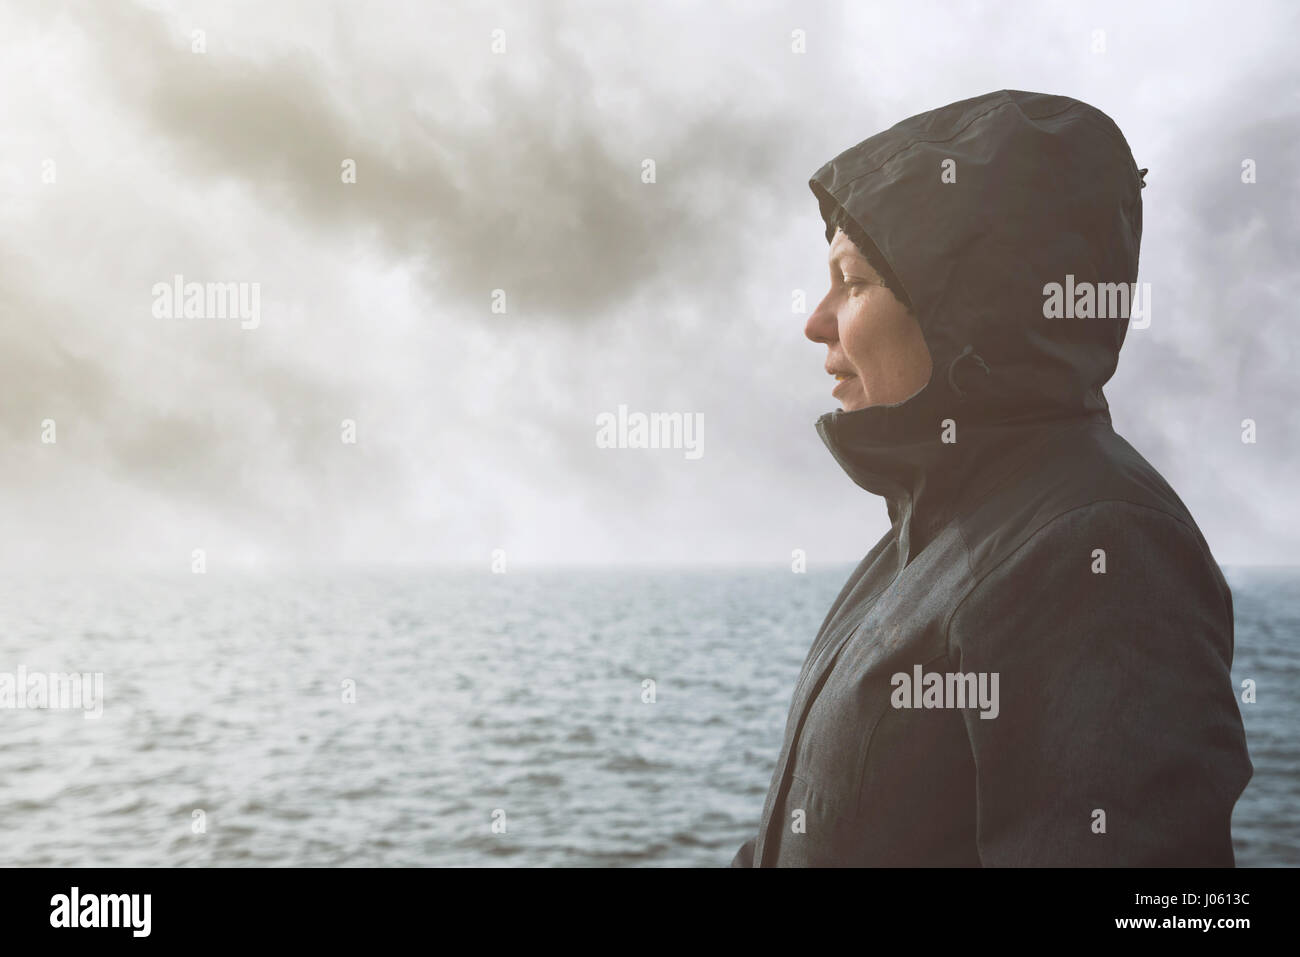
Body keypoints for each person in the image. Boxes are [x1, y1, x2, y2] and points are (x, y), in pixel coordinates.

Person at [730, 89, 1252, 867]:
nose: (815, 320)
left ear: (968, 307)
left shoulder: (1097, 546)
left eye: (854, 281)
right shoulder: (928, 533)